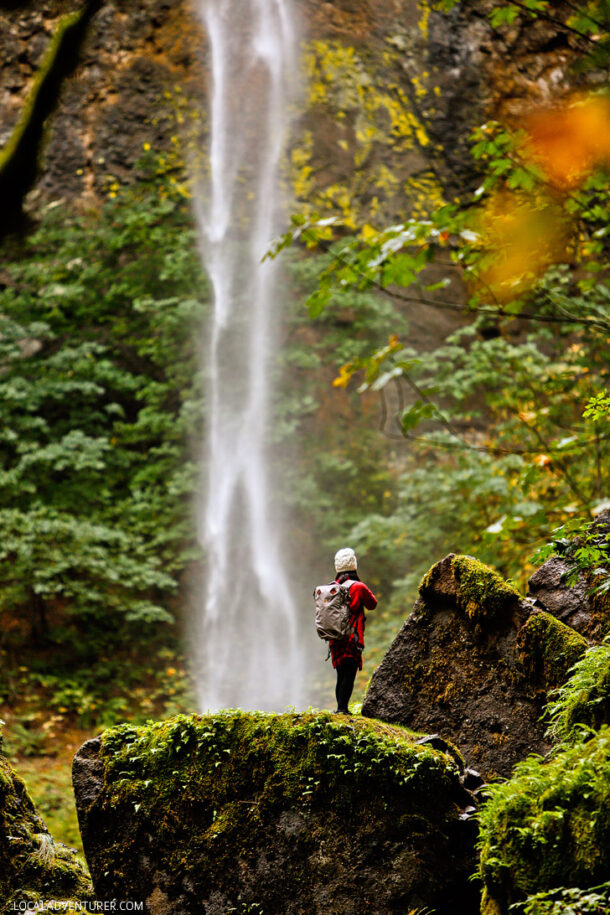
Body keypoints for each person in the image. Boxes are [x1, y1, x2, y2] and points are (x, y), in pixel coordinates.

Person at [330, 547, 377, 715]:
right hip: (352, 637)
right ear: (353, 566)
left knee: (340, 675)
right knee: (349, 674)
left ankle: (340, 708)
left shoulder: (332, 588)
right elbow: (372, 604)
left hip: (335, 637)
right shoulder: (358, 587)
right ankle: (342, 709)